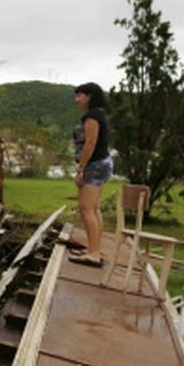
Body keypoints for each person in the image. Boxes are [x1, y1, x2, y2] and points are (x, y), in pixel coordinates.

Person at [70, 82, 112, 267]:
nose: (76, 99)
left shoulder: (91, 116)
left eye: (79, 95)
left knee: (86, 209)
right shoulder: (99, 114)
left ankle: (93, 253)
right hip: (101, 163)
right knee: (94, 209)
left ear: (89, 96)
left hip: (94, 165)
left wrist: (81, 169)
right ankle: (94, 249)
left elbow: (90, 143)